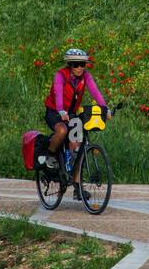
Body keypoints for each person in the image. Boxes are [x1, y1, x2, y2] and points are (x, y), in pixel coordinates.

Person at [43, 47, 110, 201]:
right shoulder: (60, 75)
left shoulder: (85, 76)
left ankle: (77, 187)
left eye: (82, 64)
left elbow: (95, 92)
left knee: (77, 146)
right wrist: (60, 110)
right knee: (61, 131)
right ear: (69, 65)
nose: (80, 68)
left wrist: (105, 109)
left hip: (71, 114)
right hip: (55, 111)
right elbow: (58, 93)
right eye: (76, 64)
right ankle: (51, 156)